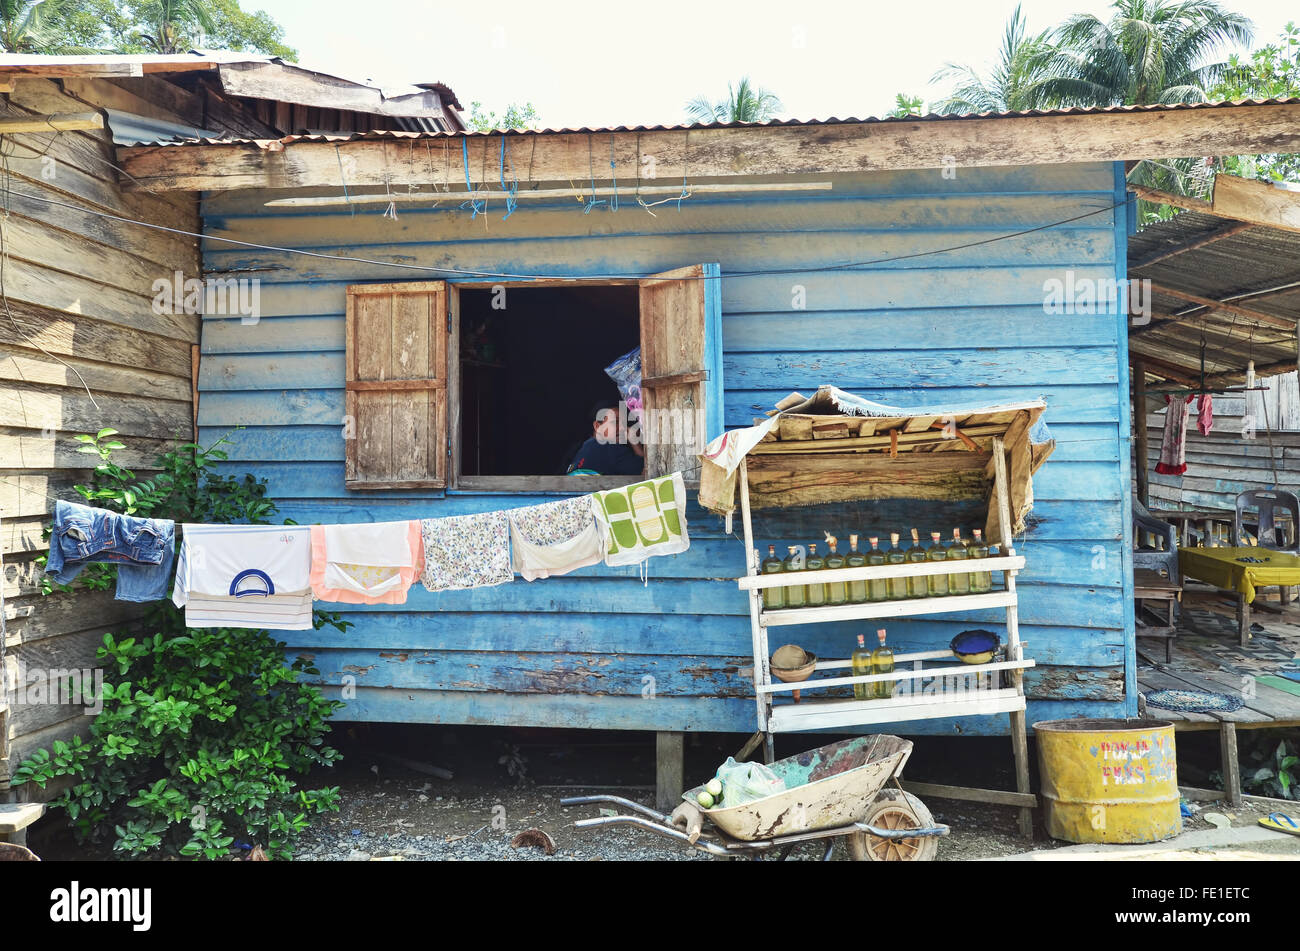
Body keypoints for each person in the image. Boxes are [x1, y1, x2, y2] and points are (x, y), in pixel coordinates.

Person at [565, 400, 644, 475]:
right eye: (615, 422)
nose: (622, 428)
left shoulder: (581, 448)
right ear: (597, 426)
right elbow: (648, 473)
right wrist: (635, 443)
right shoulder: (610, 448)